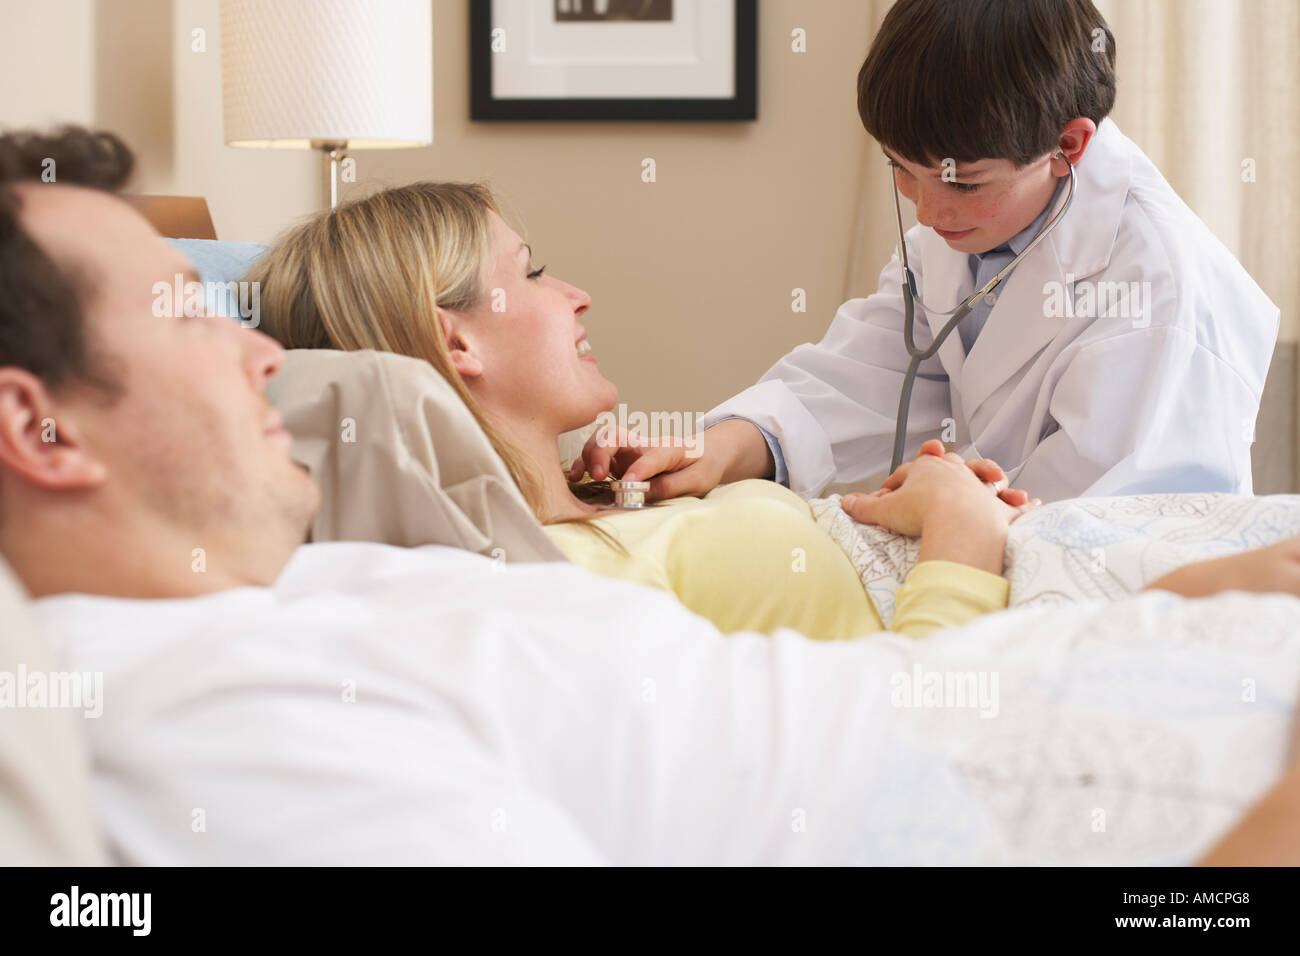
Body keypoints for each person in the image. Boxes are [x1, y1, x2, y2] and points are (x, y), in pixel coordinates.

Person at [6, 126, 1300, 866]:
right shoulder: (190, 710)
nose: (266, 355)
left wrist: (1143, 616)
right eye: (190, 318)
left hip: (1072, 673)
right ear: (38, 425)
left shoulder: (335, 591)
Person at [248, 182, 1041, 640]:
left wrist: (896, 508)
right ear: (456, 343)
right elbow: (906, 729)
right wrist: (959, 532)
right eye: (534, 274)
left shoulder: (611, 509)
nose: (576, 295)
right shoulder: (565, 586)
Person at [575, 0, 1279, 511]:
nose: (927, 210)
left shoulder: (1158, 290)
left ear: (1069, 147)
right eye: (898, 168)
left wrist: (942, 508)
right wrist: (717, 448)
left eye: (963, 185)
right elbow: (856, 385)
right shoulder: (956, 241)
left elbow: (1105, 531)